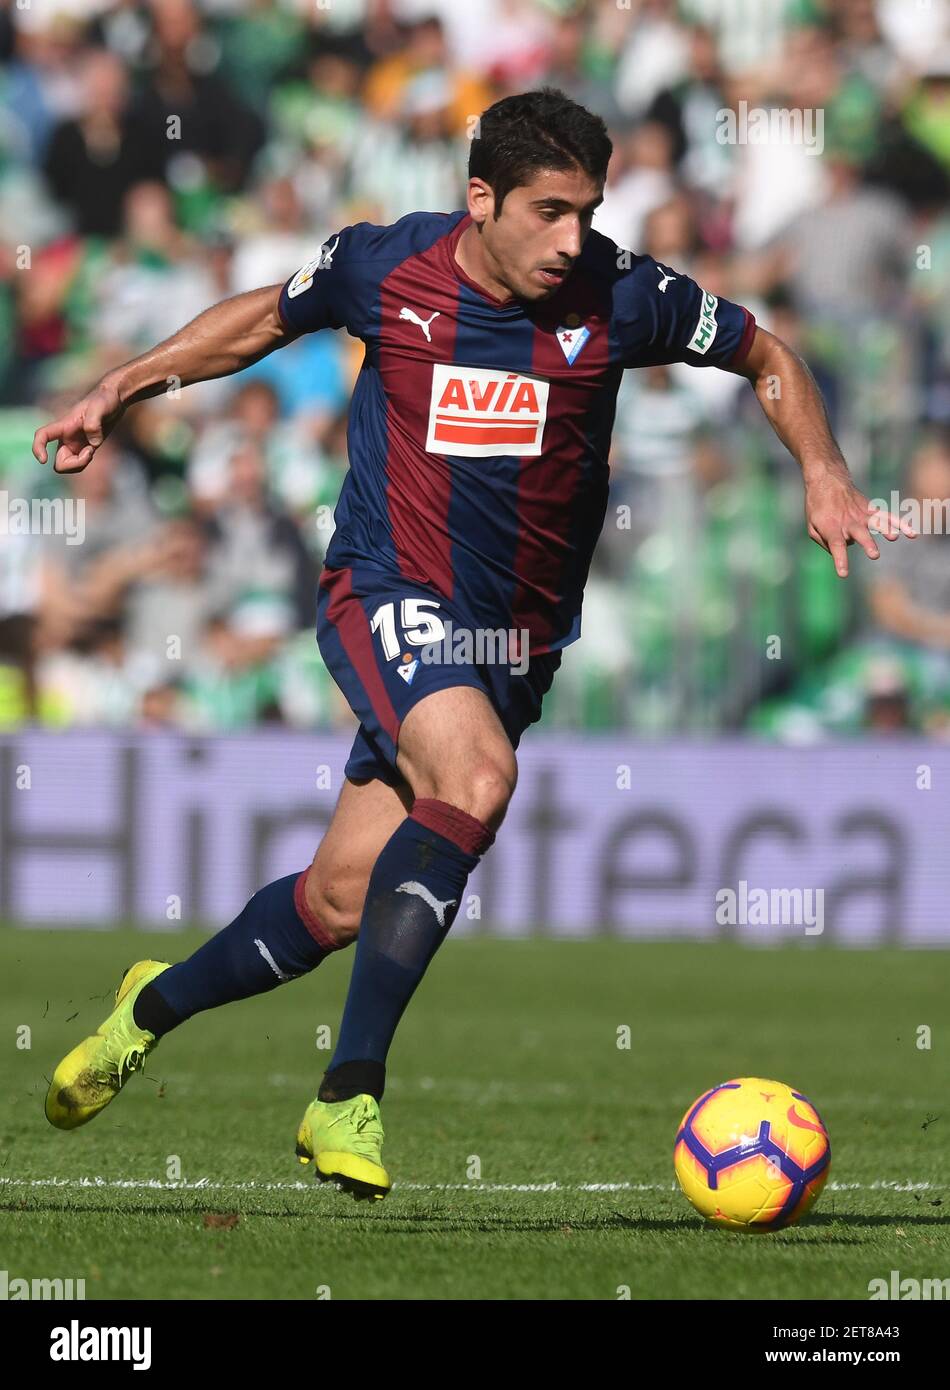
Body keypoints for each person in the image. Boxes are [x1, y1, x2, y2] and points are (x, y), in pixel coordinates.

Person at [34, 88, 912, 1202]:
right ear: (479, 198)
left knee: (340, 900)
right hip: (387, 584)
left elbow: (765, 351)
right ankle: (348, 1088)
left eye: (586, 211)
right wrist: (121, 382)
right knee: (478, 778)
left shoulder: (624, 295)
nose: (570, 238)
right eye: (547, 211)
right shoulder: (384, 271)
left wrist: (822, 467)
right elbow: (263, 316)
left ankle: (145, 1009)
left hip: (517, 642)